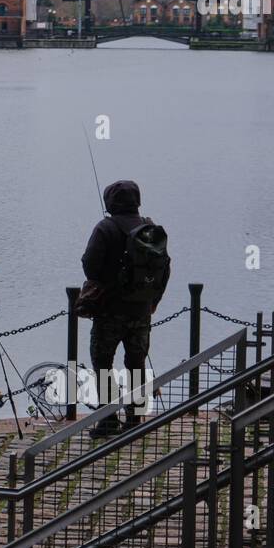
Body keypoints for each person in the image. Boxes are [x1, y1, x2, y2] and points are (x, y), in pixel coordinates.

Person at [80, 180, 170, 438]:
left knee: (103, 363)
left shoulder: (105, 228)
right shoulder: (150, 229)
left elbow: (89, 265)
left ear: (110, 202)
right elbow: (164, 268)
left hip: (109, 310)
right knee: (136, 363)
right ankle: (135, 418)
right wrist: (154, 301)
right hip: (141, 309)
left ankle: (108, 418)